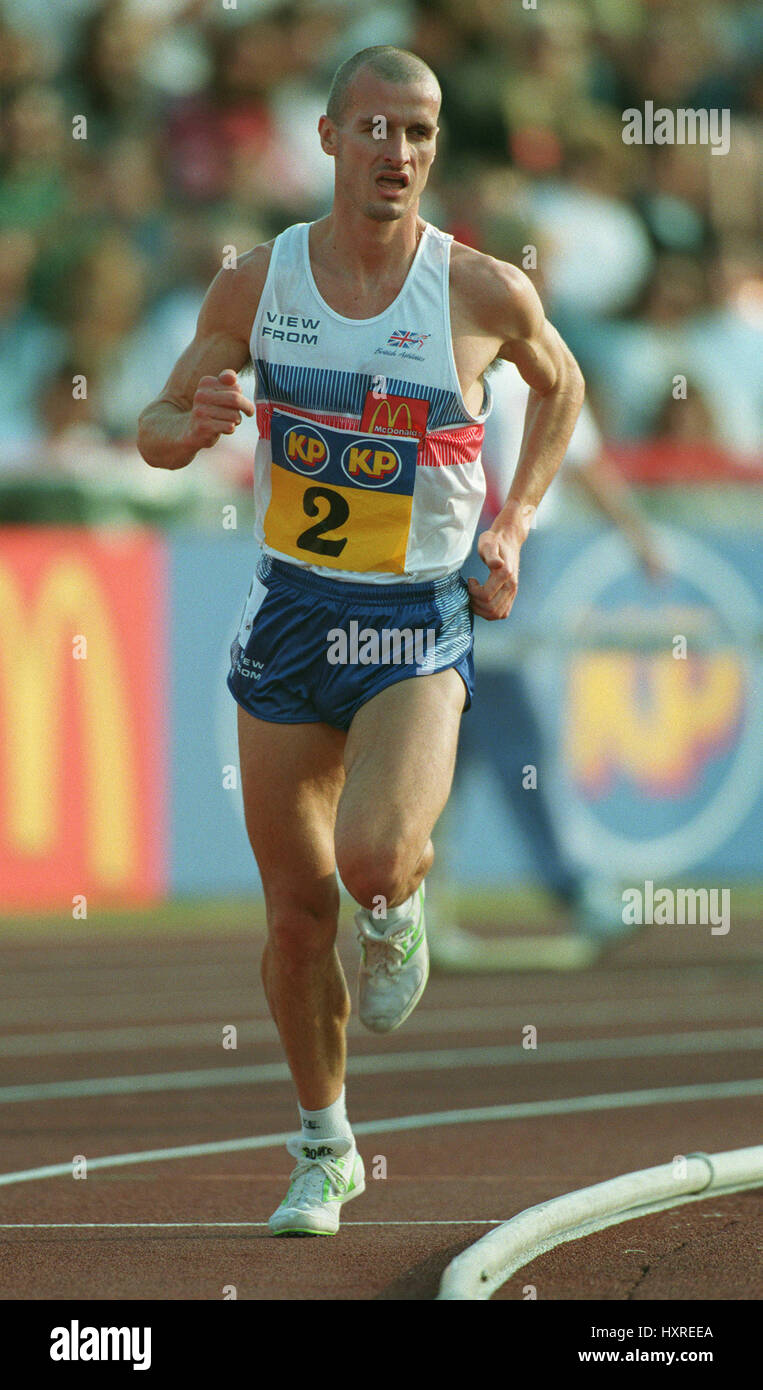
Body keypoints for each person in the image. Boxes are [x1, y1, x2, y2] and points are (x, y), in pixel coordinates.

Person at [137, 46, 585, 1237]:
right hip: (290, 611)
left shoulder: (480, 289)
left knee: (375, 856)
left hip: (413, 618)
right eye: (376, 128)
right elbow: (153, 424)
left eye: (421, 132)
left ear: (435, 149)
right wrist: (197, 422)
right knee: (295, 913)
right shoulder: (257, 282)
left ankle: (402, 908)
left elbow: (561, 383)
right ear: (329, 139)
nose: (399, 152)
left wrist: (518, 517)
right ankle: (324, 1146)